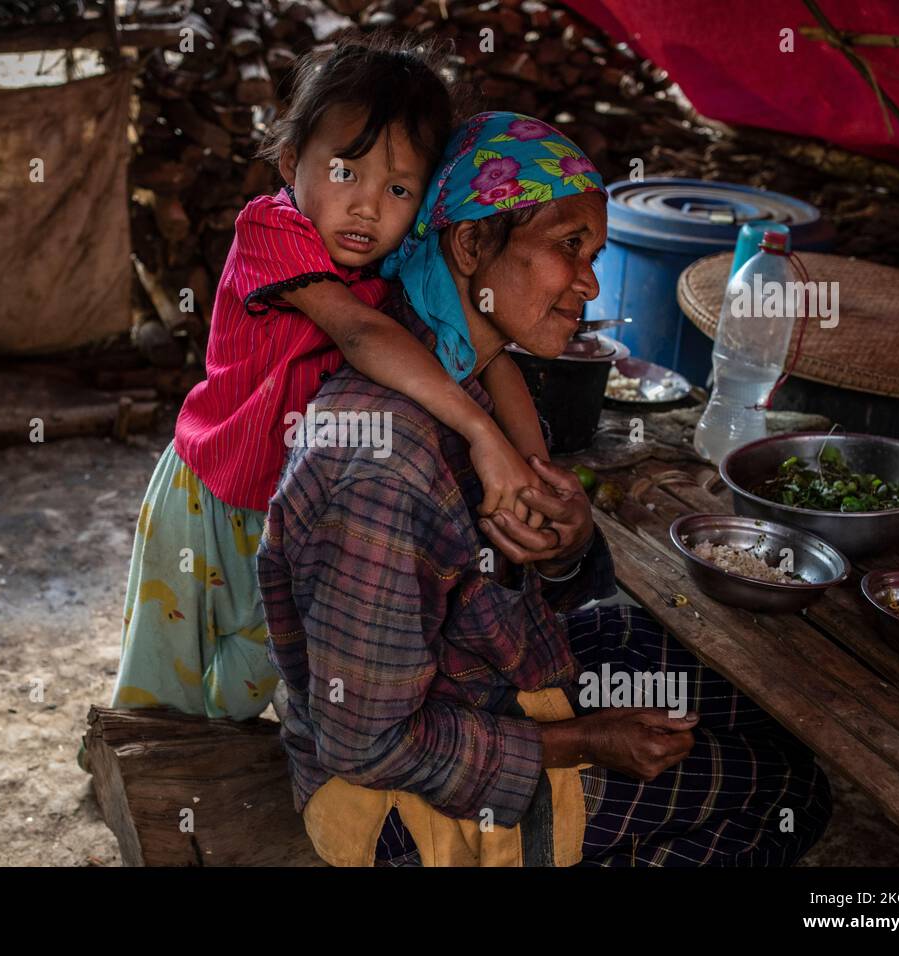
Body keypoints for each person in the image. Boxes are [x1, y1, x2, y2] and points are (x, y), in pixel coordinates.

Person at [258, 111, 831, 867]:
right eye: (568, 248)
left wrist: (566, 552)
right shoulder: (381, 465)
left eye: (594, 252)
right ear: (469, 243)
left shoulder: (469, 373)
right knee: (790, 789)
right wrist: (584, 742)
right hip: (397, 809)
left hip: (483, 678)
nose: (589, 283)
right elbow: (367, 742)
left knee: (762, 705)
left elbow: (497, 590)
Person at [101, 33, 557, 729]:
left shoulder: (402, 258)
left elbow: (491, 357)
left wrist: (531, 474)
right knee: (165, 684)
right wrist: (478, 433)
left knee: (256, 676)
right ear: (292, 163)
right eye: (346, 172)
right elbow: (360, 333)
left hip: (293, 517)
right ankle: (134, 778)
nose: (369, 207)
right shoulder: (272, 230)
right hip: (208, 494)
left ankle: (215, 783)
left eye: (399, 188)